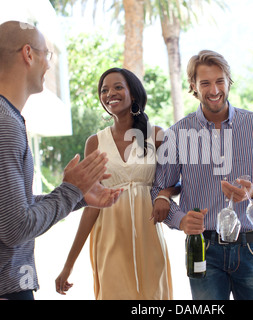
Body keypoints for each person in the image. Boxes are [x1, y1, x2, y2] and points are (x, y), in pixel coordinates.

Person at [151, 50, 253, 300]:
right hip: (203, 249)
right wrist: (180, 220)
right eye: (205, 83)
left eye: (220, 81)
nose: (214, 89)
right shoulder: (178, 134)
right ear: (193, 87)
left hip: (252, 246)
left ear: (229, 81)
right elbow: (158, 188)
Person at [0, 21, 122, 300]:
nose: (49, 65)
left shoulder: (8, 119)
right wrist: (70, 190)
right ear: (28, 54)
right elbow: (16, 228)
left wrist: (78, 195)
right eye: (47, 55)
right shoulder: (4, 124)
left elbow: (13, 212)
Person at [55, 67, 179, 300]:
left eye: (117, 87)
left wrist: (163, 195)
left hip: (149, 237)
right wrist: (68, 264)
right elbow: (92, 206)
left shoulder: (157, 136)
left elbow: (177, 182)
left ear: (133, 94)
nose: (110, 93)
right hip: (109, 240)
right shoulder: (95, 142)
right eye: (104, 90)